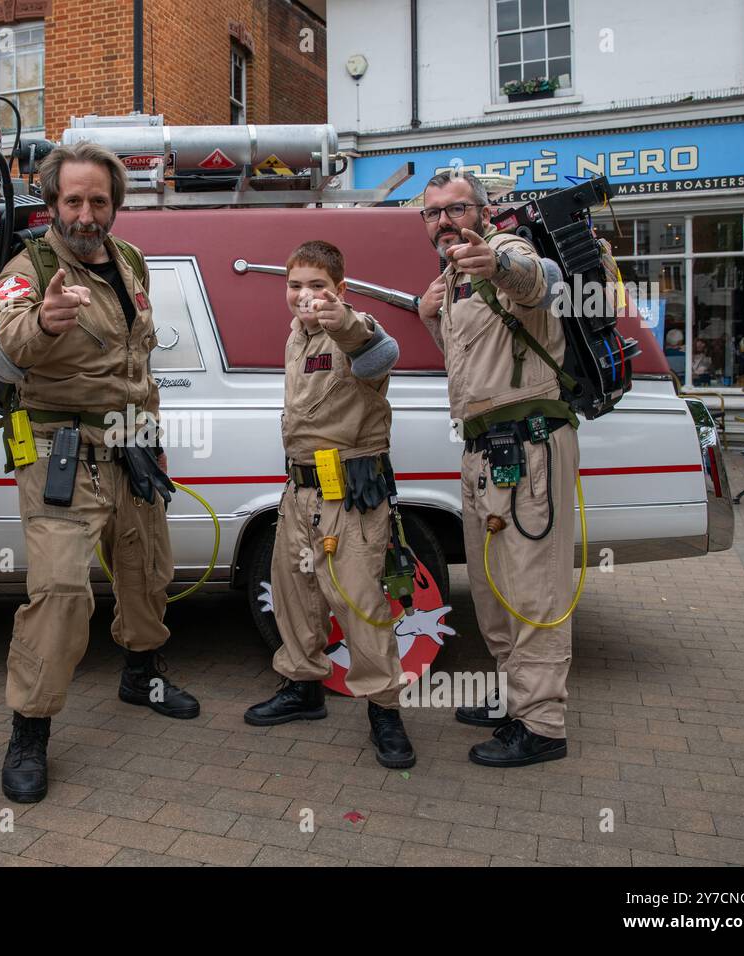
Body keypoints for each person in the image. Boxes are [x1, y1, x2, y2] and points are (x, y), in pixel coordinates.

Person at [0, 141, 199, 804]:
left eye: (97, 200)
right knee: (61, 593)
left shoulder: (129, 262)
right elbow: (2, 345)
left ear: (114, 206)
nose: (84, 213)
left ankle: (141, 672)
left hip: (132, 445)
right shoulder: (28, 268)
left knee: (147, 569)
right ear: (52, 204)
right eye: (71, 200)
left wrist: (153, 437)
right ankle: (30, 731)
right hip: (60, 455)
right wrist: (44, 326)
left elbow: (137, 363)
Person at [416, 169, 579, 767]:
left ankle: (543, 725)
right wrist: (428, 311)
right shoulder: (452, 280)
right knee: (491, 587)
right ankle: (516, 694)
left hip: (530, 446)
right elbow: (471, 367)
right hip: (484, 450)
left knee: (532, 588)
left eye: (455, 209)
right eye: (431, 213)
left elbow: (543, 285)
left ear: (482, 211)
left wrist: (499, 265)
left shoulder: (507, 251)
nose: (443, 222)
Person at [241, 241, 413, 768]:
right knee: (296, 595)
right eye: (295, 285)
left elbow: (381, 354)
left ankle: (384, 710)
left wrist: (343, 322)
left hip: (349, 496)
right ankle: (303, 686)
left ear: (339, 288)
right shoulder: (298, 335)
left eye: (317, 286)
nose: (305, 296)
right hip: (300, 492)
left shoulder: (350, 324)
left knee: (360, 604)